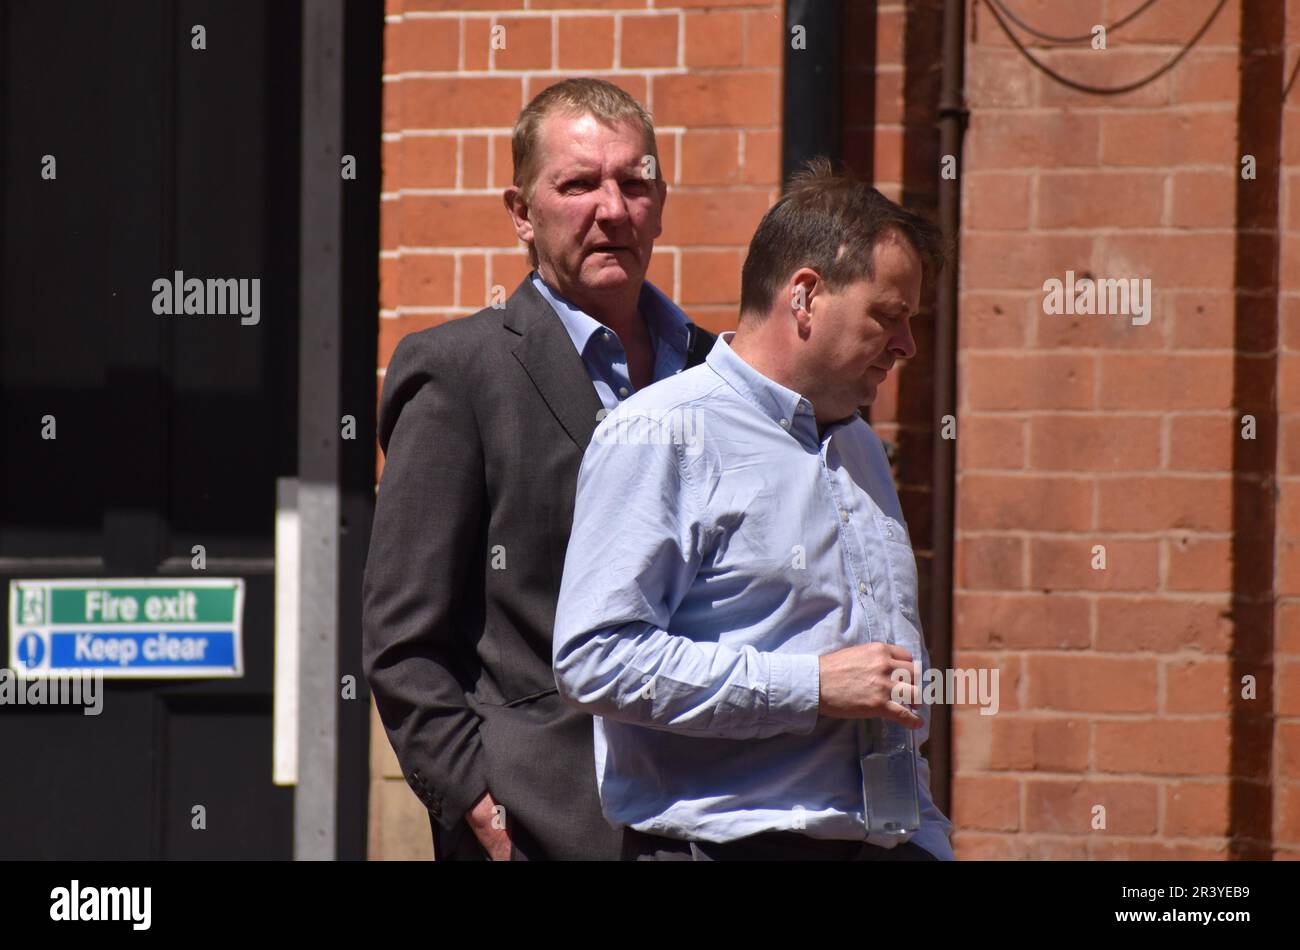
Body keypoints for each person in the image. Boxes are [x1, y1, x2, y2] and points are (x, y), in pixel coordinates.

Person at [552, 158, 956, 861]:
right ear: (805, 296)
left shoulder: (859, 446)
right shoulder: (662, 432)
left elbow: (887, 692)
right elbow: (596, 659)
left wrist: (925, 839)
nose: (907, 345)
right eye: (887, 317)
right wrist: (812, 685)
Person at [362, 78, 716, 860]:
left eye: (634, 182)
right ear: (521, 212)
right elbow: (402, 641)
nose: (611, 209)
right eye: (579, 184)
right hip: (544, 827)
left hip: (711, 820)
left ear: (660, 201)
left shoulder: (713, 372)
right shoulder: (459, 372)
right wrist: (477, 806)